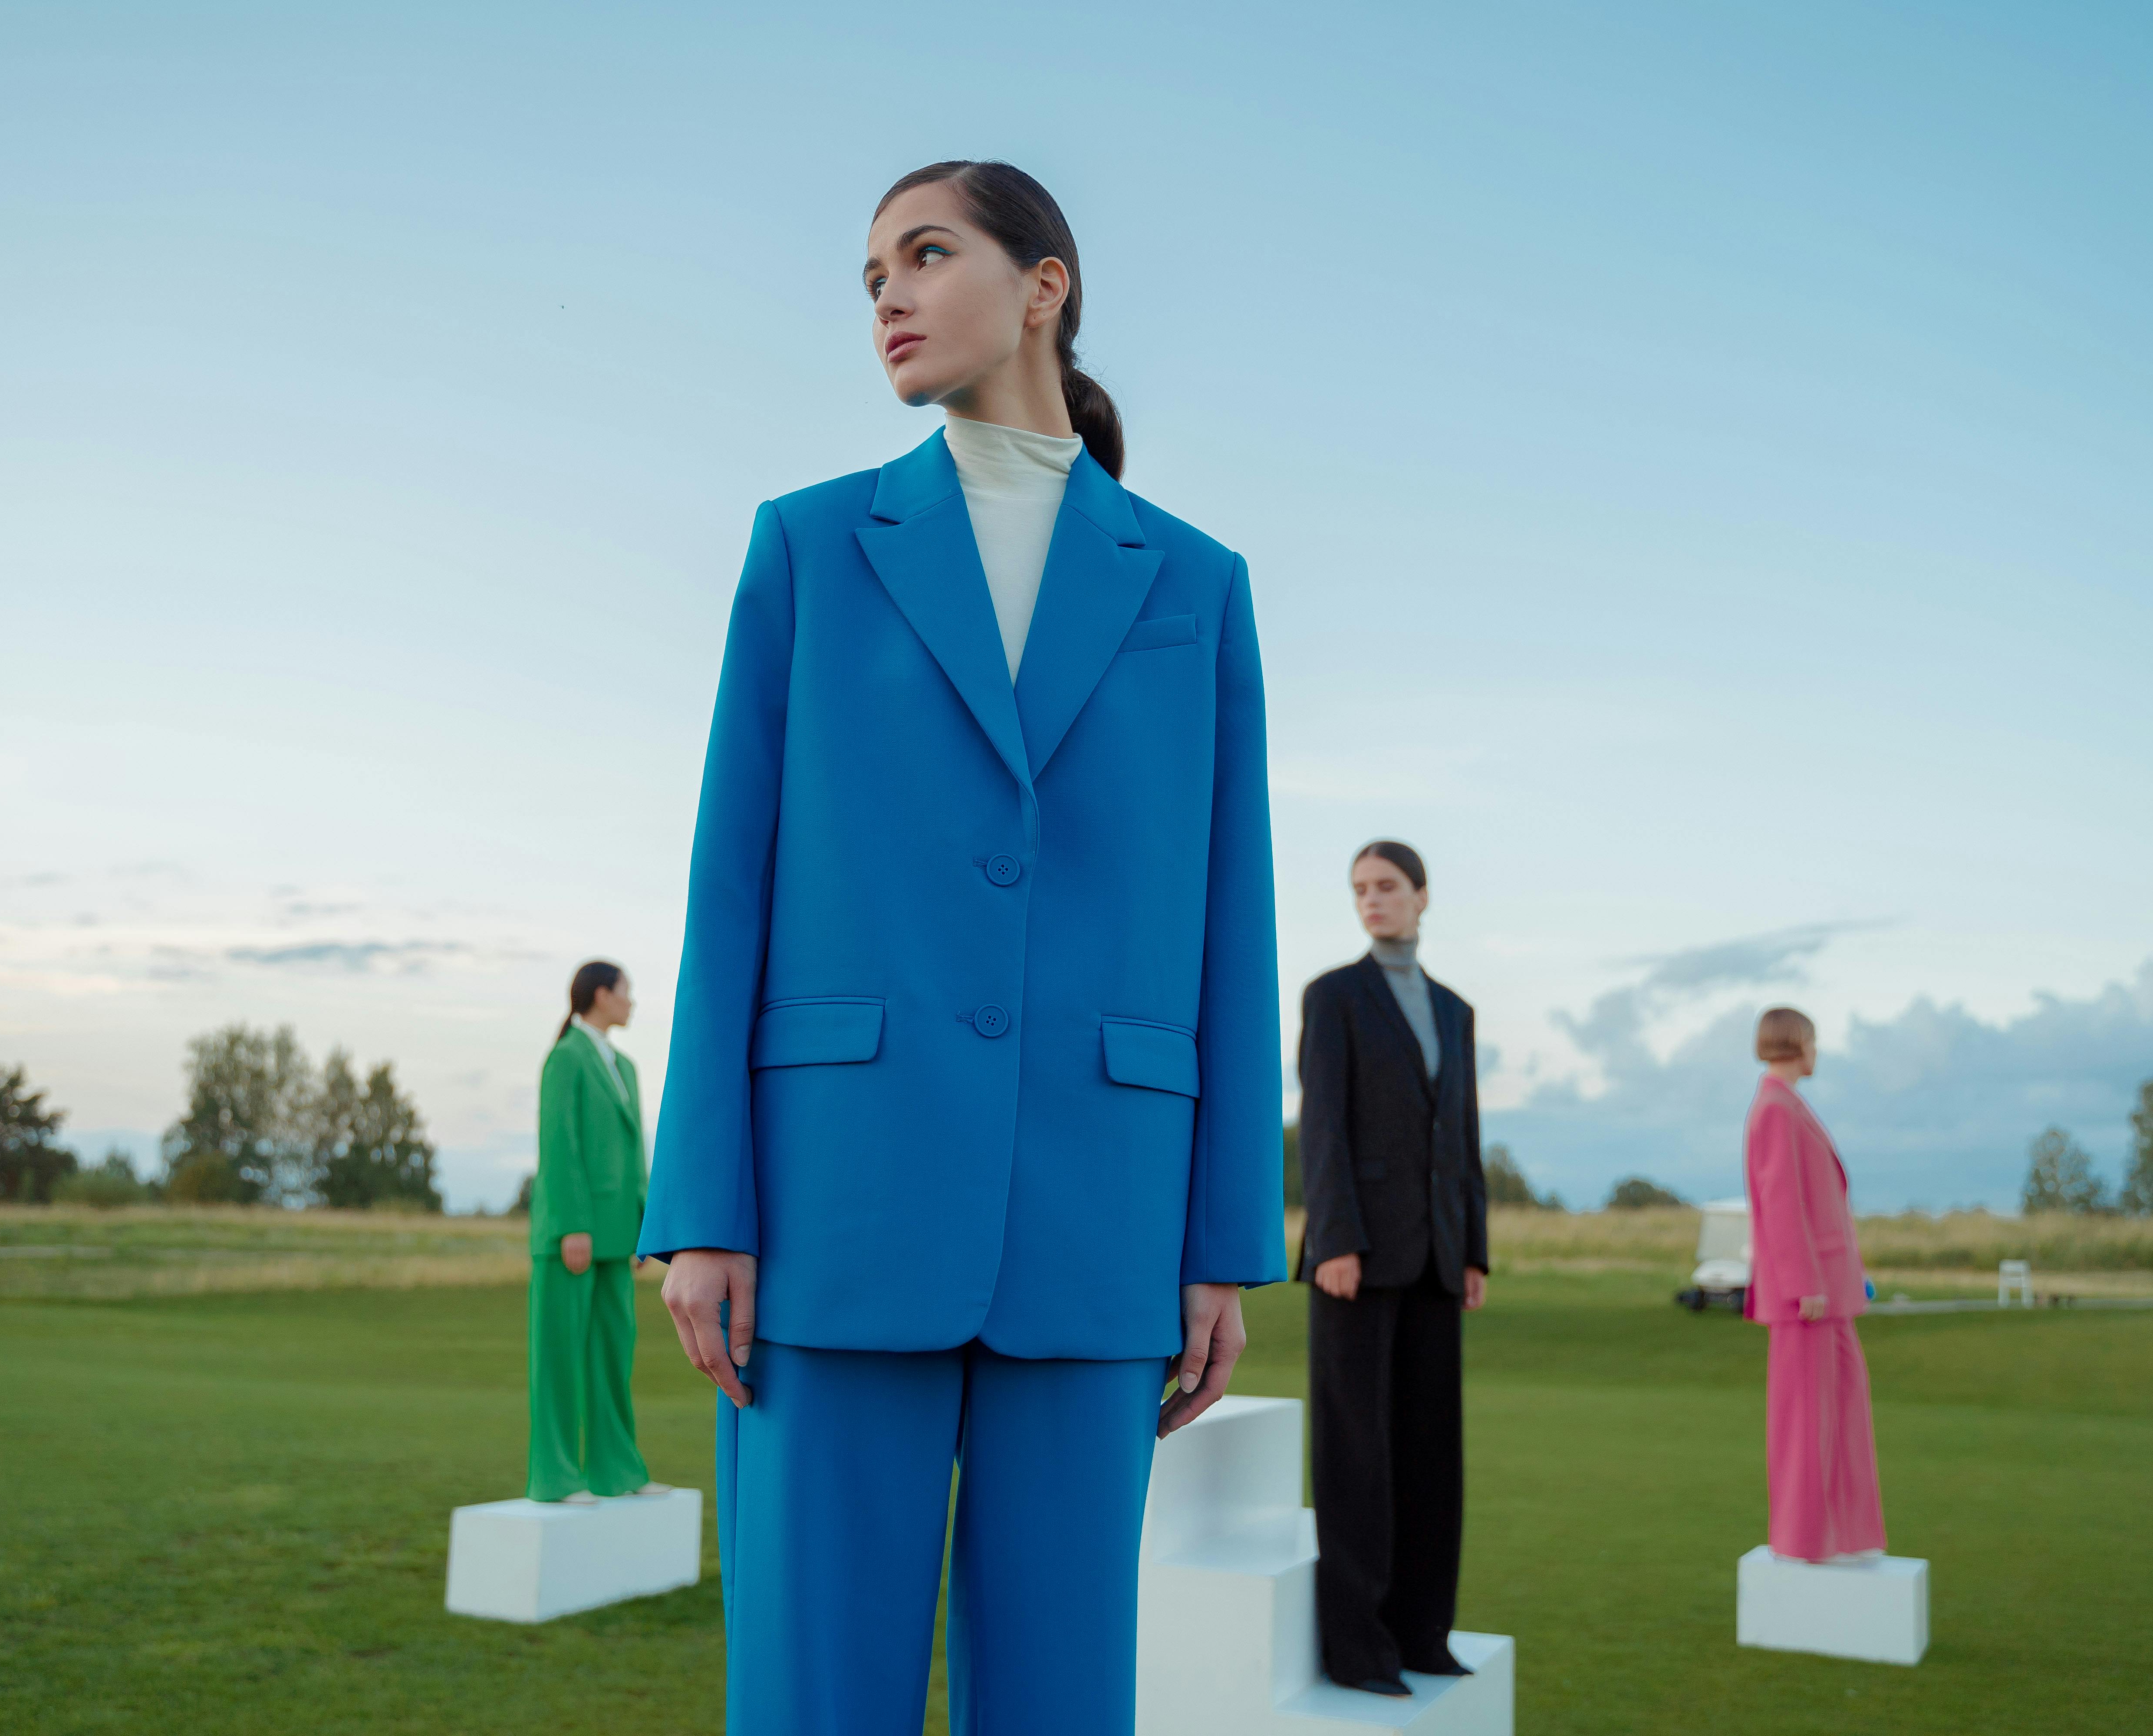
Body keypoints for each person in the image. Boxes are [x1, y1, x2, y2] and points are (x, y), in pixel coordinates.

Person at [637, 160, 1284, 1735]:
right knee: (812, 1692)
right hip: (828, 1206)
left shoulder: (1196, 586)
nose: (889, 299)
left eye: (923, 256)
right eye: (870, 278)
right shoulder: (806, 549)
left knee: (1064, 1694)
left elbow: (1229, 922)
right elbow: (729, 886)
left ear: (1044, 283)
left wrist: (1218, 1239)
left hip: (1100, 1215)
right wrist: (703, 1205)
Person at [1296, 840, 1488, 1696]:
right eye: (1360, 890)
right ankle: (1358, 1647)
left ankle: (1423, 1633)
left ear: (1422, 896)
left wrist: (1474, 1248)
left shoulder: (1455, 1009)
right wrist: (1332, 1237)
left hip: (1437, 1259)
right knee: (1355, 1458)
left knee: (1430, 1454)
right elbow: (1324, 1126)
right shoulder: (1333, 996)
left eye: (1386, 887)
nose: (1372, 901)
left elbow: (1465, 1140)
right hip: (1356, 1258)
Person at [1743, 1006, 1886, 1562]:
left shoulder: (1789, 1104)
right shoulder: (1776, 1109)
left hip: (1832, 1293)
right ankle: (1804, 1543)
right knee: (1807, 1423)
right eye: (1814, 1040)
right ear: (1797, 1043)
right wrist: (1806, 1284)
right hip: (1808, 1300)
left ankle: (1846, 1535)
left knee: (1844, 1413)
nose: (1817, 1050)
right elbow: (1782, 1205)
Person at [525, 960, 652, 1503]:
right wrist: (573, 1227)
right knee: (558, 1358)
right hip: (572, 1238)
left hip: (619, 1235)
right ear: (601, 996)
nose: (632, 1003)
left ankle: (616, 1470)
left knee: (612, 1357)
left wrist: (648, 1225)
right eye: (627, 992)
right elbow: (560, 1147)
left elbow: (635, 1155)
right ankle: (554, 1477)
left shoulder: (624, 1066)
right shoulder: (566, 1058)